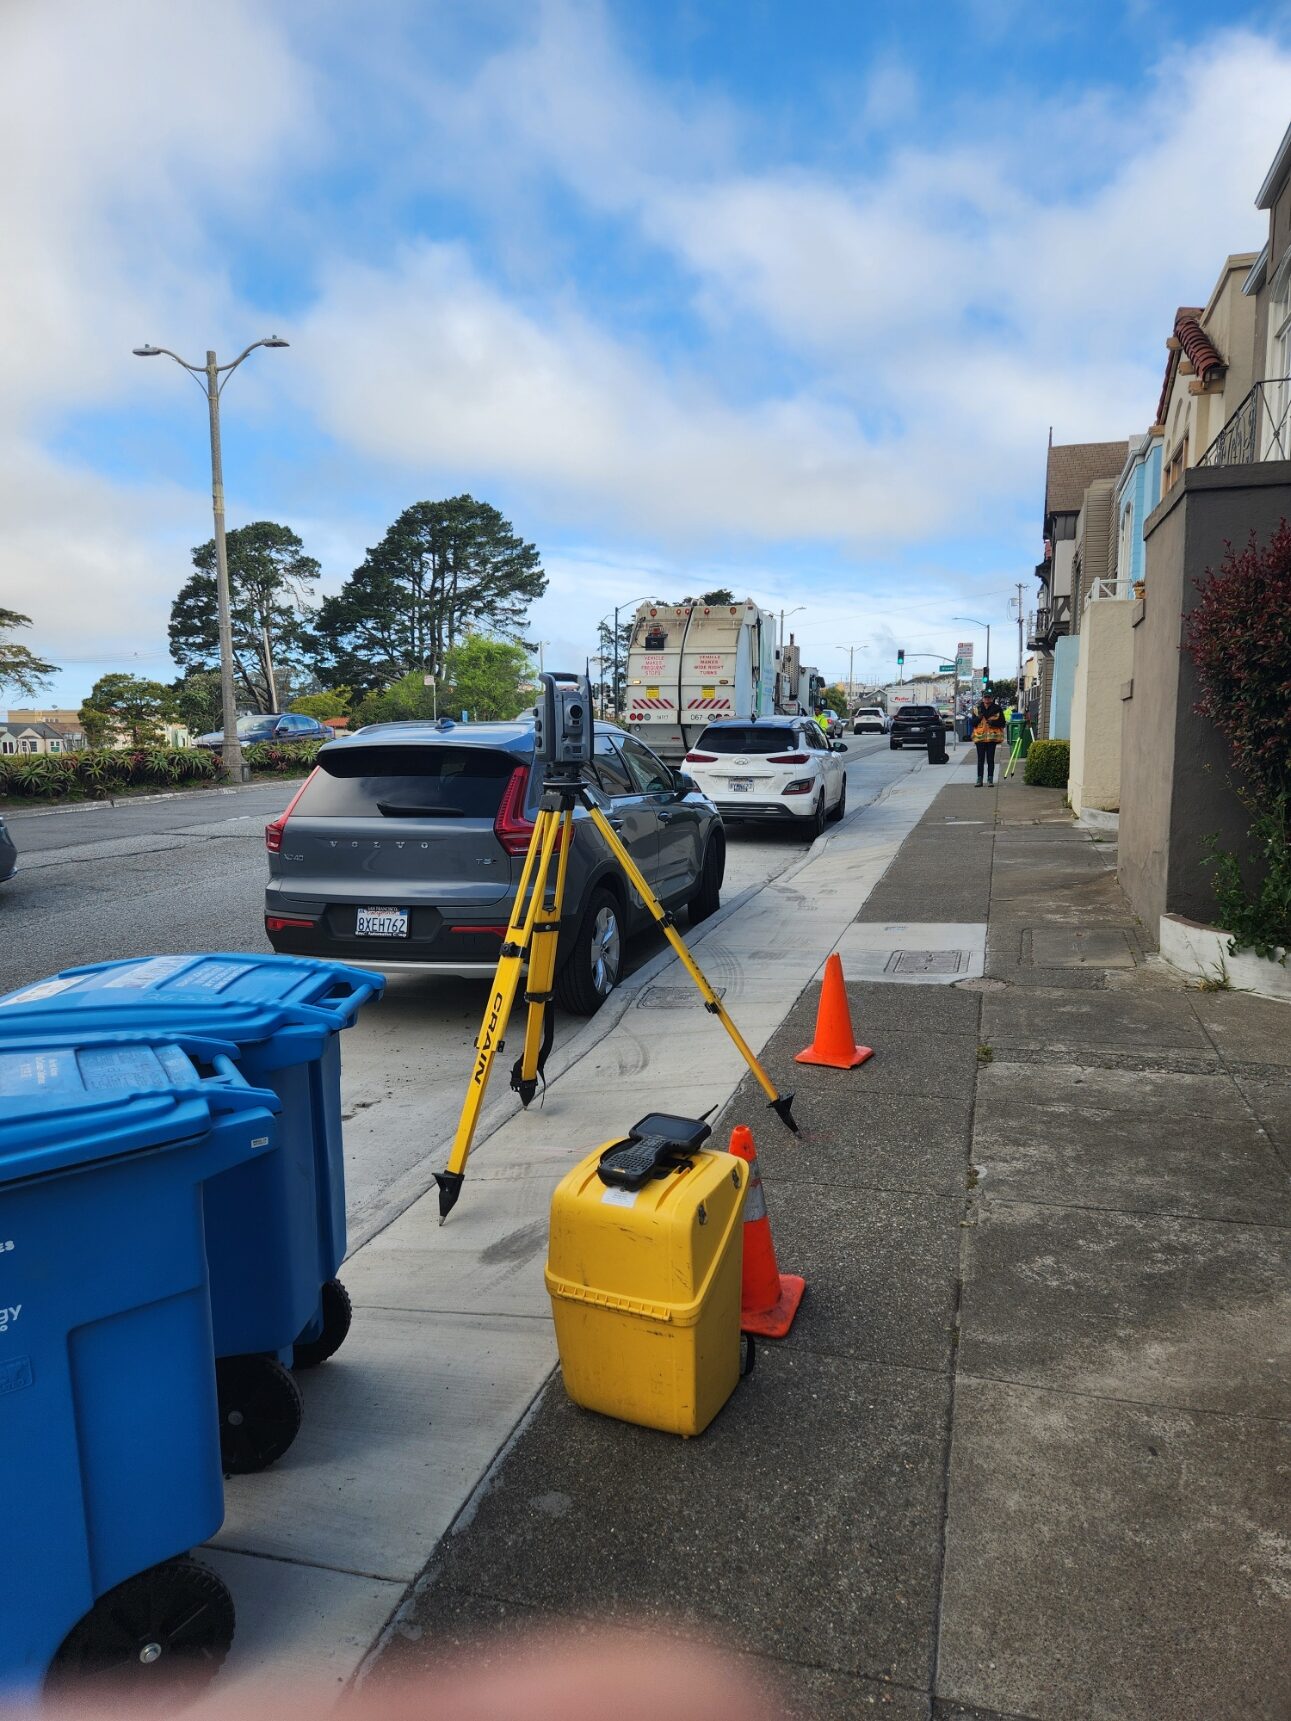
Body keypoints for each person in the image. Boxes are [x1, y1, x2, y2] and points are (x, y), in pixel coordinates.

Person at [971, 690, 1006, 786]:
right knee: (980, 760)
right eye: (985, 697)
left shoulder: (997, 709)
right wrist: (978, 718)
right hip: (980, 738)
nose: (987, 699)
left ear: (992, 698)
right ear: (983, 698)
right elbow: (972, 723)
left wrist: (993, 723)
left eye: (988, 697)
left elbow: (1003, 723)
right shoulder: (977, 709)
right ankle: (979, 780)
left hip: (992, 738)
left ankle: (990, 779)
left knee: (990, 760)